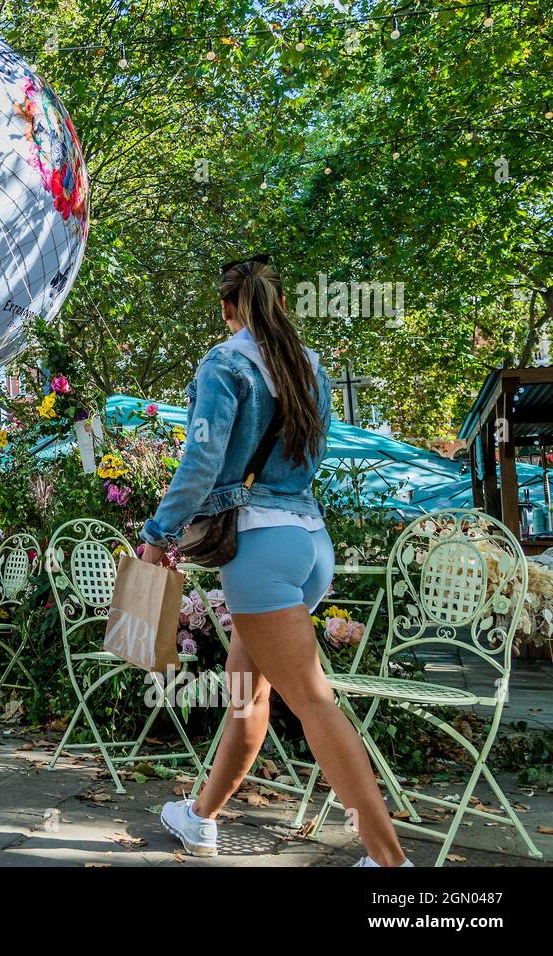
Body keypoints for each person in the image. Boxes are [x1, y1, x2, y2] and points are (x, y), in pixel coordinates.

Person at [140, 257, 411, 868]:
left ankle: (390, 863)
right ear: (281, 304)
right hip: (310, 544)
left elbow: (201, 462)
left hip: (259, 550)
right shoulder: (308, 366)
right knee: (244, 693)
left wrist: (159, 532)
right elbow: (315, 454)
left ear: (227, 309)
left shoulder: (224, 363)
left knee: (313, 701)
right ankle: (201, 817)